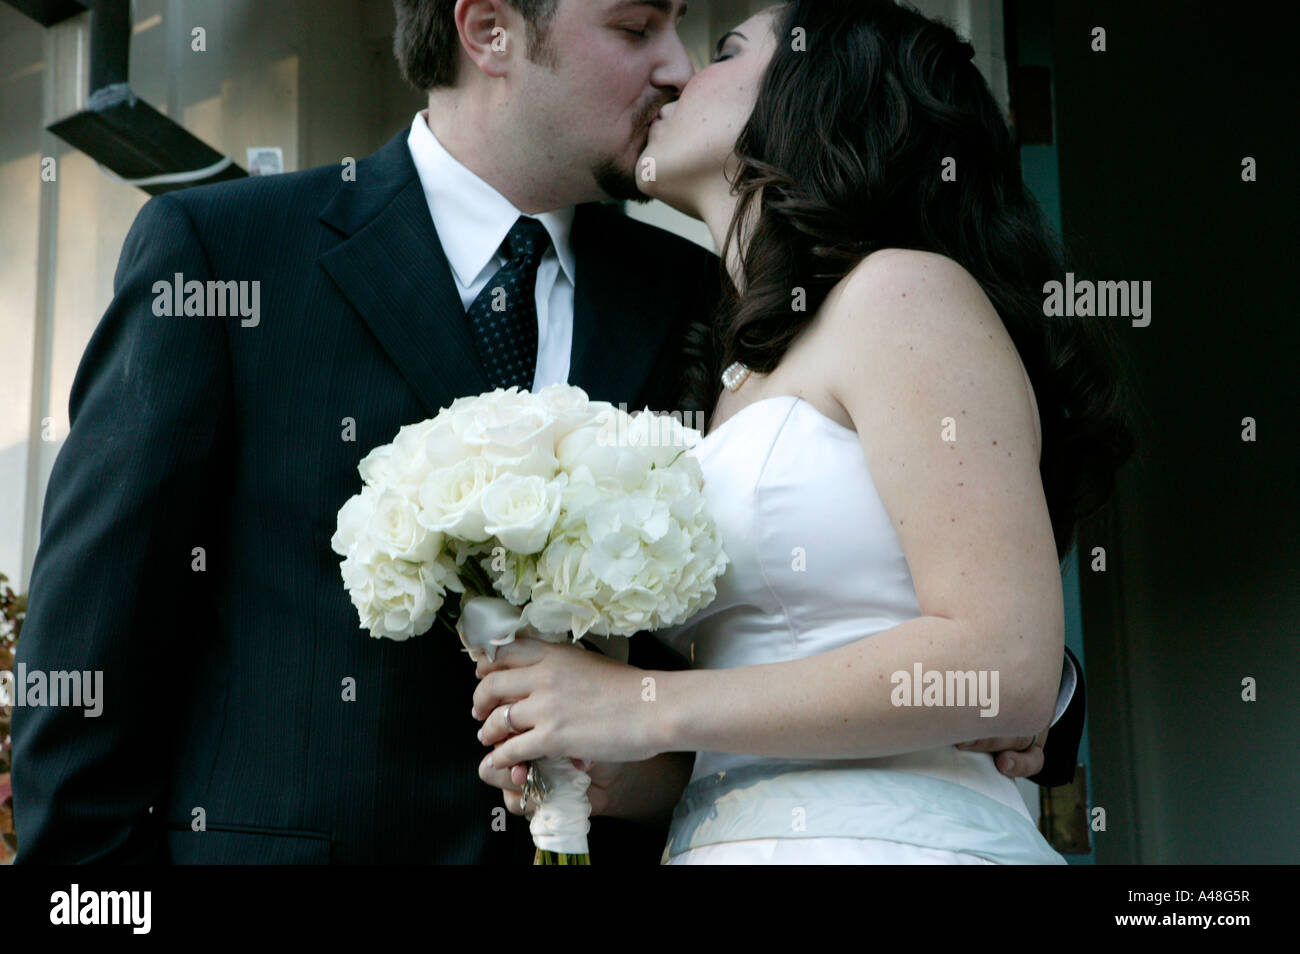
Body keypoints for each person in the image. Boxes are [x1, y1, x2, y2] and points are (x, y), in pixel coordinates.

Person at [12, 0, 1082, 866]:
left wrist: (1035, 695)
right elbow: (98, 626)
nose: (670, 68)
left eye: (696, 44)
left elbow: (882, 589)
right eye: (634, 29)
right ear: (489, 32)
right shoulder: (229, 250)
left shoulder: (717, 304)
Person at [472, 0, 1134, 863]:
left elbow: (1006, 669)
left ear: (819, 90)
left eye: (725, 50)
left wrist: (641, 703)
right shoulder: (728, 370)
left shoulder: (903, 293)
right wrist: (607, 762)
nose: (676, 73)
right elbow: (760, 707)